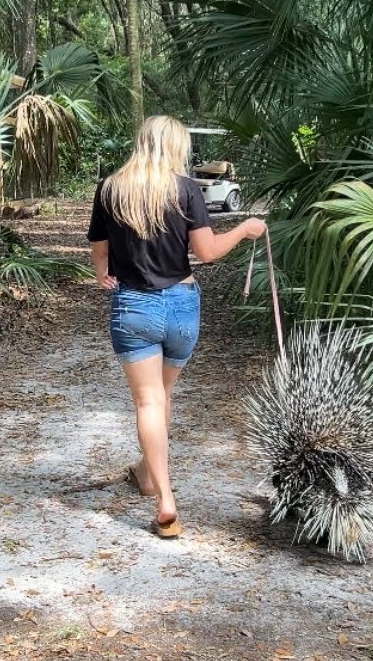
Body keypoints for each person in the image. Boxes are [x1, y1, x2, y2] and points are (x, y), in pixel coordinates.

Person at [87, 115, 267, 538]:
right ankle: (148, 476)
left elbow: (99, 245)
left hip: (133, 305)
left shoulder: (111, 188)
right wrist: (243, 229)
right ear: (175, 147)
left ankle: (162, 496)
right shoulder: (185, 189)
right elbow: (206, 253)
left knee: (148, 402)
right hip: (182, 305)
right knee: (163, 396)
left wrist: (101, 272)